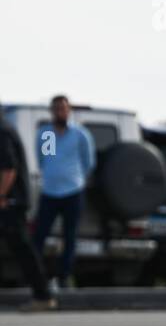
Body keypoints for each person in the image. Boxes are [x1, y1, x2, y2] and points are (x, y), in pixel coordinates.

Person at [33, 95, 96, 290]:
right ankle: (37, 276)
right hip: (50, 192)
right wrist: (55, 176)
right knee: (39, 236)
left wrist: (74, 179)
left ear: (69, 110)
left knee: (69, 237)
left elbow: (88, 163)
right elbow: (45, 160)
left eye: (63, 108)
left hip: (72, 192)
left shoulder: (79, 134)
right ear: (51, 111)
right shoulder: (47, 134)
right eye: (56, 108)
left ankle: (64, 276)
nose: (60, 111)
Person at [0, 107, 56, 310]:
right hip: (22, 197)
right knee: (24, 250)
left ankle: (43, 295)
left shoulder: (4, 131)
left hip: (10, 202)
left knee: (24, 250)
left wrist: (2, 195)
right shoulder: (44, 132)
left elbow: (9, 167)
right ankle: (43, 294)